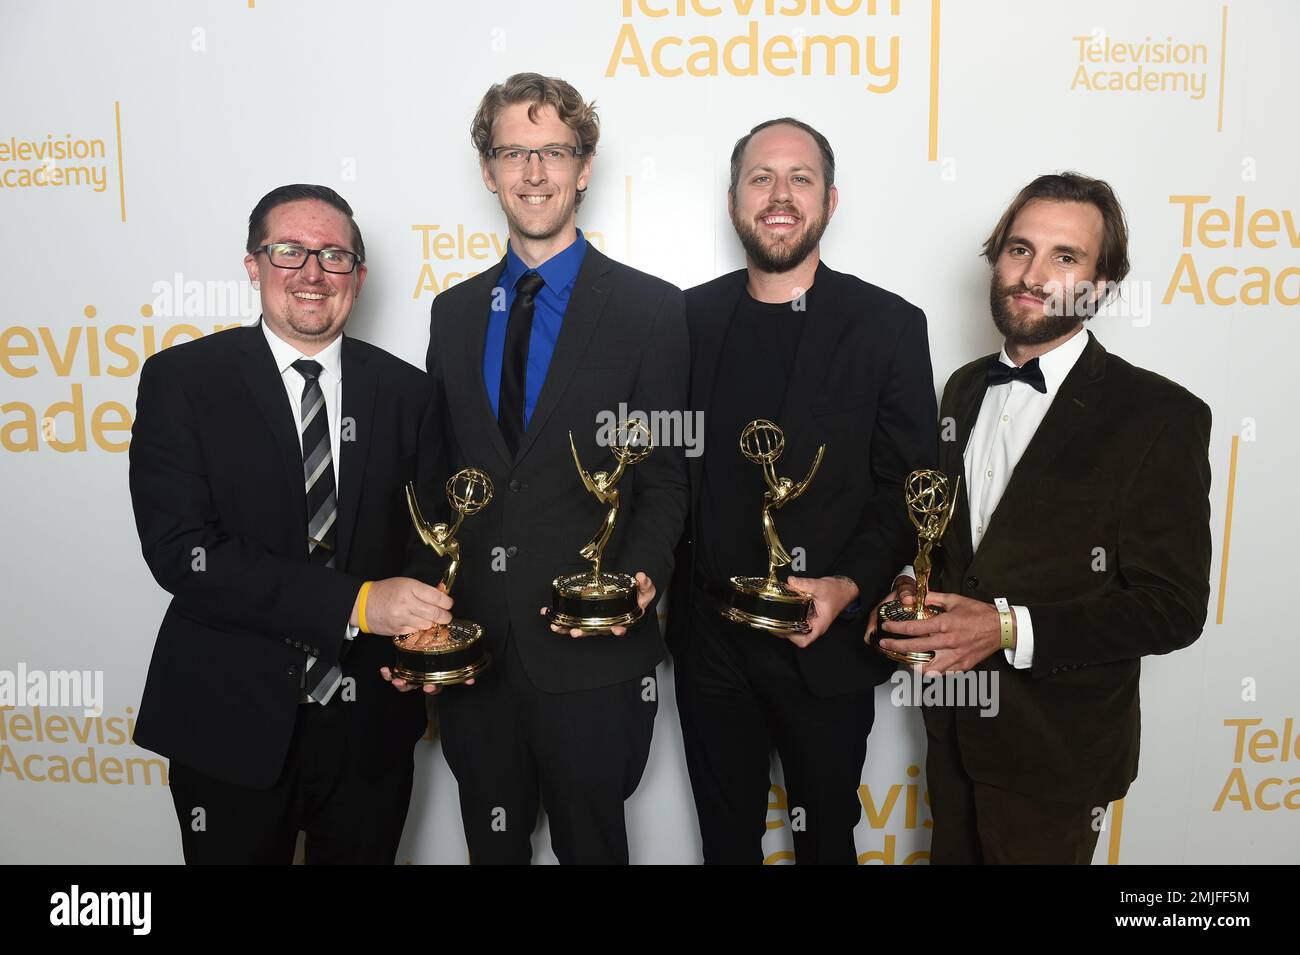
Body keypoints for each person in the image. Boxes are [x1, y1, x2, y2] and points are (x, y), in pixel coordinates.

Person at [386, 73, 689, 865]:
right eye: (513, 152)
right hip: (476, 648)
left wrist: (644, 573)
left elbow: (662, 476)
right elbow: (439, 480)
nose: (533, 172)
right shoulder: (452, 313)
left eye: (553, 150)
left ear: (583, 166)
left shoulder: (651, 309)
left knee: (594, 848)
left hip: (592, 647)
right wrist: (422, 605)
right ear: (487, 170)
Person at [871, 171, 1212, 864]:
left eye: (1066, 257)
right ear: (996, 258)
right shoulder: (964, 387)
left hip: (1058, 755)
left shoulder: (1159, 416)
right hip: (952, 733)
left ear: (1103, 282)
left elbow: (1172, 608)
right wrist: (910, 586)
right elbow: (955, 541)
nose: (1032, 274)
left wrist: (1003, 627)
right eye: (1020, 249)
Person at [130, 184, 448, 864]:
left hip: (369, 727)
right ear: (253, 265)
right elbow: (182, 552)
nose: (311, 272)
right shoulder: (182, 381)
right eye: (289, 252)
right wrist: (359, 604)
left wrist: (421, 635)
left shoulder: (409, 394)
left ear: (358, 278)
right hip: (227, 722)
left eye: (334, 255)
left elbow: (433, 536)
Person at [667, 118, 938, 864]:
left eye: (800, 178)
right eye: (761, 177)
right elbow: (661, 473)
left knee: (825, 844)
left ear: (830, 199)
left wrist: (848, 584)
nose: (779, 195)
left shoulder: (888, 326)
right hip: (709, 642)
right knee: (726, 844)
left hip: (825, 643)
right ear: (733, 202)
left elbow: (909, 488)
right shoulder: (685, 320)